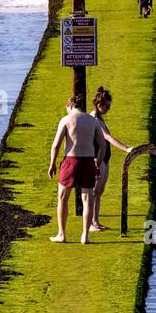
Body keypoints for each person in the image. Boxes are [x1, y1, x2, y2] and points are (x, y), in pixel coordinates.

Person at [47, 96, 105, 244]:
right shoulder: (93, 121)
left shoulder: (66, 120)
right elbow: (103, 145)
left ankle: (62, 234)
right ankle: (85, 235)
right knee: (87, 198)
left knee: (62, 198)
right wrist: (97, 163)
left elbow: (56, 146)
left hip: (71, 160)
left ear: (70, 106)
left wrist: (52, 164)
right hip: (88, 161)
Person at [87, 87, 133, 232]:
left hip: (105, 159)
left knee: (99, 192)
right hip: (97, 159)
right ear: (99, 104)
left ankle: (96, 221)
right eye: (107, 106)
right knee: (94, 192)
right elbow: (107, 137)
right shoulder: (94, 119)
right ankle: (90, 224)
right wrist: (126, 149)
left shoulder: (100, 118)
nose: (108, 109)